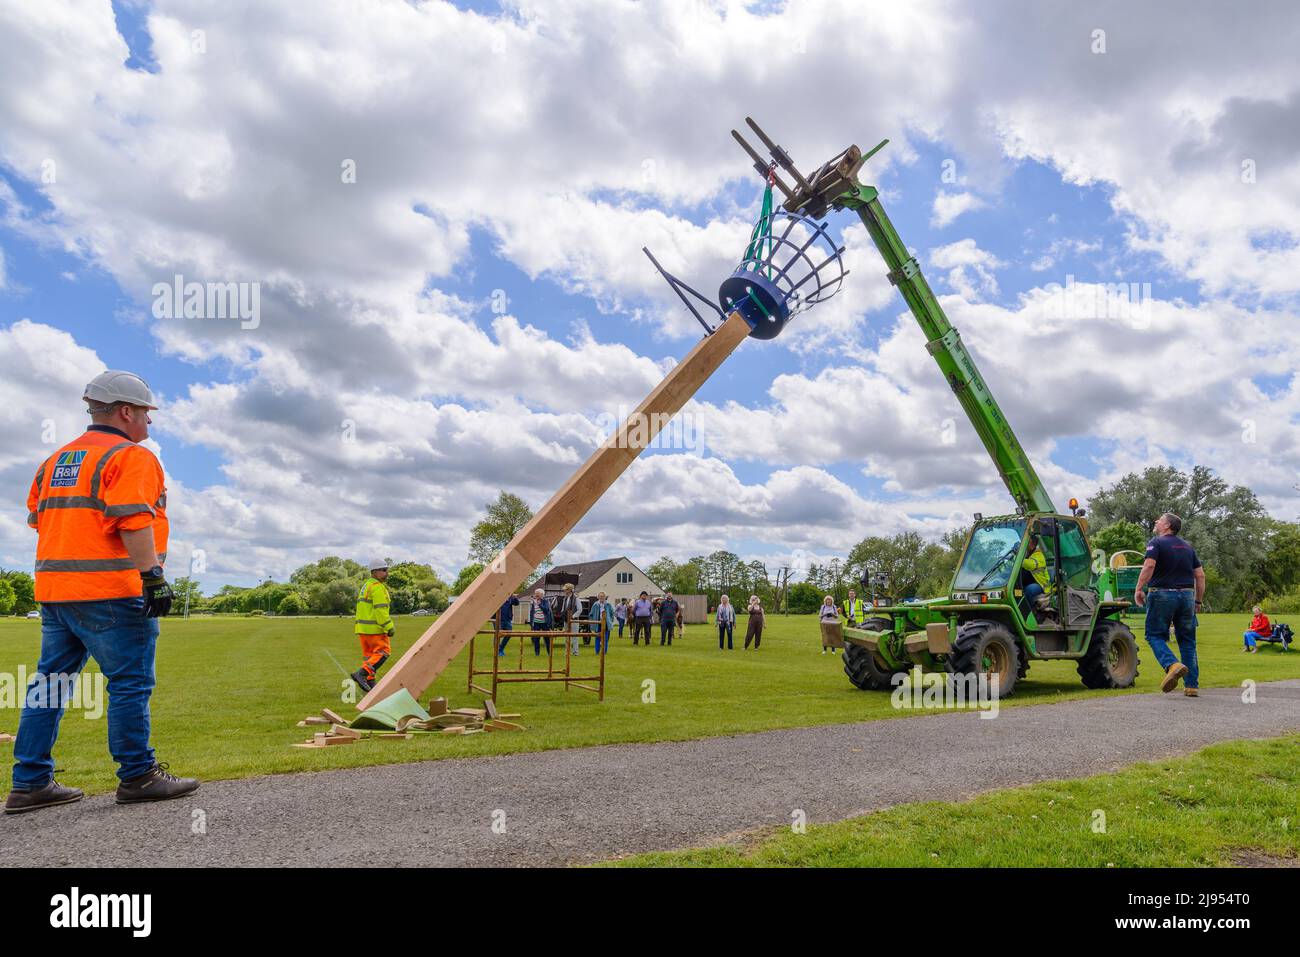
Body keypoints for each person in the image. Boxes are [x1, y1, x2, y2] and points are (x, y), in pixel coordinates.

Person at [7, 370, 198, 815]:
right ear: (126, 412)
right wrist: (153, 576)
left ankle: (30, 784)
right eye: (146, 415)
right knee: (130, 684)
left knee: (49, 686)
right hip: (112, 591)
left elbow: (39, 519)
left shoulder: (54, 461)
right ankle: (138, 776)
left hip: (56, 594)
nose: (150, 424)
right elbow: (133, 518)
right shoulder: (131, 456)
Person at [1133, 512, 1205, 697]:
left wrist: (1139, 588)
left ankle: (1172, 664)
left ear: (1167, 526)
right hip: (1187, 596)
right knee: (1188, 641)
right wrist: (1198, 600)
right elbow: (1200, 576)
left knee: (1154, 635)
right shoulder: (1188, 548)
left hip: (1162, 594)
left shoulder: (1156, 542)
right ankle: (1191, 687)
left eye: (1160, 520)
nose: (1156, 521)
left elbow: (1149, 566)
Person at [352, 557, 396, 692]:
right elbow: (380, 610)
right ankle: (361, 674)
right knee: (384, 652)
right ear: (375, 572)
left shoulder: (366, 585)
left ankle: (371, 686)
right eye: (383, 570)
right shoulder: (377, 588)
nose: (386, 573)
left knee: (370, 658)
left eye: (386, 570)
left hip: (363, 630)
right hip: (375, 630)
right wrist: (389, 626)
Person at [1021, 532, 1053, 619]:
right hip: (1032, 582)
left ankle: (1029, 613)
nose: (1026, 545)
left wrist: (1018, 558)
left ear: (1032, 544)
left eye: (1028, 543)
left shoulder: (1039, 555)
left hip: (1042, 585)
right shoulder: (1027, 555)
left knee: (1029, 590)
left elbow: (1031, 564)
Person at [553, 582, 582, 656]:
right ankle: (567, 652)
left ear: (570, 590)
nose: (564, 591)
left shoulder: (576, 599)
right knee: (566, 636)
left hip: (574, 620)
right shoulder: (565, 598)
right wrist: (563, 614)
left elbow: (579, 609)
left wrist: (573, 616)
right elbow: (563, 608)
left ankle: (575, 652)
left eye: (565, 590)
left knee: (574, 636)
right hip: (566, 620)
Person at [528, 587, 554, 655]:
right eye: (535, 593)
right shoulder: (533, 601)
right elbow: (532, 612)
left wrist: (539, 604)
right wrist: (531, 622)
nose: (536, 595)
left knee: (547, 639)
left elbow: (546, 610)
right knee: (536, 639)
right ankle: (537, 653)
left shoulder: (546, 601)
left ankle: (549, 653)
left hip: (545, 623)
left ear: (542, 594)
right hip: (536, 622)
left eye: (537, 593)